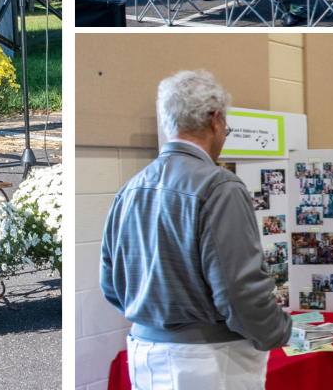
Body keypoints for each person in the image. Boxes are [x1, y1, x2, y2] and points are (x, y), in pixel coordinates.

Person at [101, 71, 292, 390]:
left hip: (144, 354)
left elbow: (111, 283)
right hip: (209, 362)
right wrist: (278, 330)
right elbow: (239, 291)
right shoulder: (219, 187)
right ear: (215, 119)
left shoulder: (130, 190)